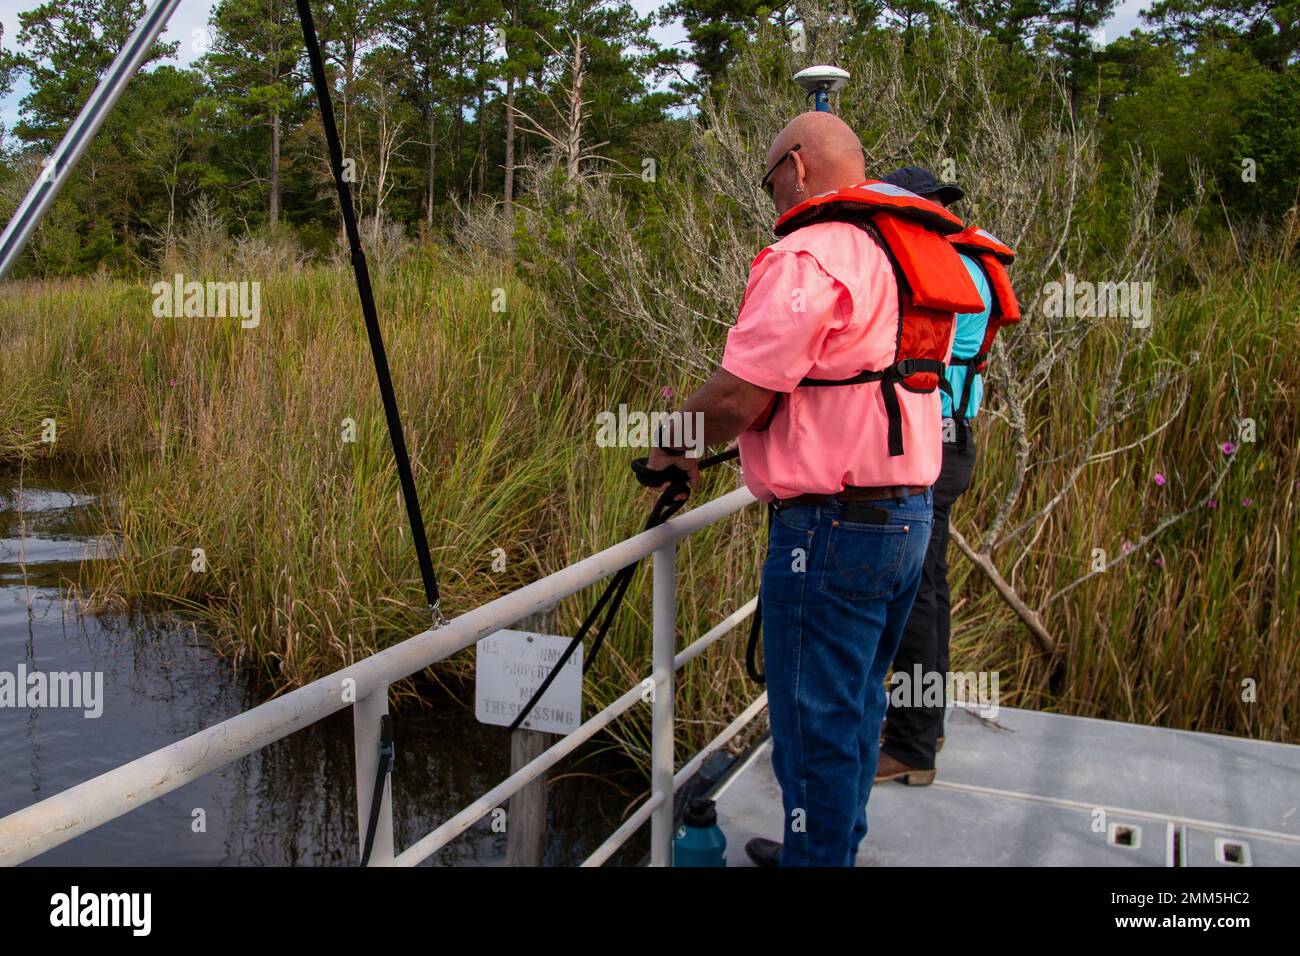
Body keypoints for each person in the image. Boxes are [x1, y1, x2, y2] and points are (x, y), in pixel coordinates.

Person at [642, 117, 981, 866]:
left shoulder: (810, 254)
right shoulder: (897, 247)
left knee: (813, 724)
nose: (771, 199)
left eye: (768, 182)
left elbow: (737, 395)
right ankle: (825, 850)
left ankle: (817, 858)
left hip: (832, 531)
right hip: (906, 517)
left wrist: (673, 447)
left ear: (794, 167)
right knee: (856, 708)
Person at [873, 165, 1015, 787]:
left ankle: (911, 745)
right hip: (947, 440)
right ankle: (921, 729)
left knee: (918, 594)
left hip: (939, 440)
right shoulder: (965, 264)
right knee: (925, 588)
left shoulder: (950, 272)